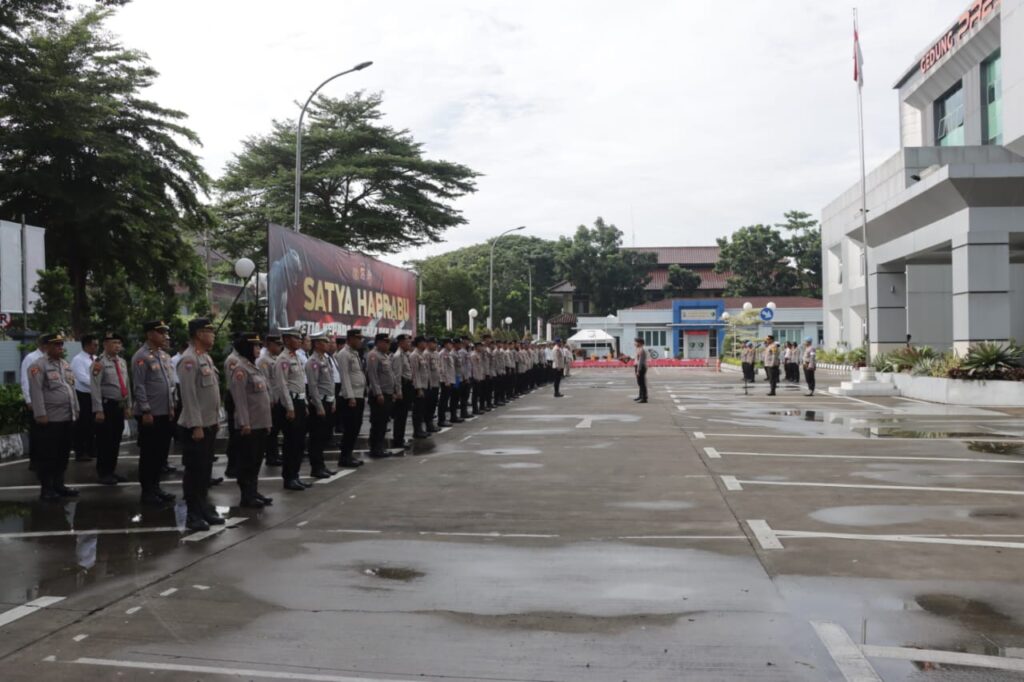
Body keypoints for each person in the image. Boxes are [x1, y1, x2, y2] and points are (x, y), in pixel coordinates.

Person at [176, 318, 224, 531]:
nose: (213, 335)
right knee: (194, 471)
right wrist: (196, 425)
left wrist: (215, 420)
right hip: (196, 426)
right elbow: (189, 395)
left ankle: (203, 507)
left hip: (208, 423)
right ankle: (192, 514)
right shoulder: (189, 360)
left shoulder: (205, 357)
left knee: (205, 471)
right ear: (198, 334)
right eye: (209, 331)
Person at [28, 333, 79, 501]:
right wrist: (41, 414)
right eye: (56, 344)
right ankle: (47, 488)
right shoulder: (38, 366)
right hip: (50, 419)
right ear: (47, 346)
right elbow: (36, 392)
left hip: (66, 417)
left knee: (63, 454)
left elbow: (71, 388)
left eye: (61, 344)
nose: (60, 347)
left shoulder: (65, 365)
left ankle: (59, 484)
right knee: (48, 455)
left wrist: (76, 409)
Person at [131, 320, 177, 505]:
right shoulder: (141, 357)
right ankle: (147, 491)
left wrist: (171, 407)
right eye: (161, 332)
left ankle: (156, 487)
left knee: (160, 453)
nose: (165, 336)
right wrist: (146, 410)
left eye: (166, 332)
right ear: (150, 334)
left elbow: (169, 384)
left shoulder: (164, 356)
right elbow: (139, 385)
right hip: (150, 413)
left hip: (165, 412)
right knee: (149, 454)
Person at [229, 332, 274, 508]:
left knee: (256, 461)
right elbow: (239, 399)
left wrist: (267, 423)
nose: (258, 349)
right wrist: (244, 423)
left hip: (260, 423)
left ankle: (254, 491)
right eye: (255, 346)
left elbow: (263, 398)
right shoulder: (240, 369)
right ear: (247, 348)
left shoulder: (253, 367)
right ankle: (246, 495)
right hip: (249, 425)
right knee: (247, 461)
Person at [91, 332, 132, 485]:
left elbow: (126, 385)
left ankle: (112, 470)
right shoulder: (99, 363)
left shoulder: (121, 362)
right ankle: (103, 472)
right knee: (105, 441)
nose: (117, 346)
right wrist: (98, 410)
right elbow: (95, 387)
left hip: (119, 406)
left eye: (119, 343)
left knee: (115, 440)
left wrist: (128, 405)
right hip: (106, 406)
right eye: (113, 343)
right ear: (105, 345)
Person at [277, 327, 309, 491]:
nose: (299, 341)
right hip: (291, 404)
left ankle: (295, 475)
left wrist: (305, 405)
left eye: (299, 338)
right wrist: (289, 407)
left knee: (299, 442)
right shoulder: (283, 359)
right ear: (287, 340)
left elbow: (300, 383)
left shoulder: (295, 357)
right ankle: (289, 477)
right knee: (291, 442)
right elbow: (282, 385)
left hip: (300, 402)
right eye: (296, 338)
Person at [304, 331, 338, 479]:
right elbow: (313, 386)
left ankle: (322, 465)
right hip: (320, 402)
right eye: (325, 342)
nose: (328, 344)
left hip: (328, 401)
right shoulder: (313, 362)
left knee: (324, 436)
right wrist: (319, 406)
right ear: (317, 344)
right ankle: (316, 467)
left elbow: (330, 382)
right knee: (316, 437)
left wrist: (333, 401)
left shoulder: (325, 359)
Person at [336, 328, 367, 468]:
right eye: (358, 338)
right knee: (350, 428)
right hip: (351, 396)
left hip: (359, 394)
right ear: (351, 339)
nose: (360, 341)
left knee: (356, 427)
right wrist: (350, 396)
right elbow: (345, 376)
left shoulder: (354, 353)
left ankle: (349, 454)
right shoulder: (344, 354)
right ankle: (344, 457)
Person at [366, 332, 397, 459]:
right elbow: (373, 377)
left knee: (383, 423)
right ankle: (375, 448)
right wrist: (378, 393)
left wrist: (393, 391)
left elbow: (390, 375)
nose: (388, 345)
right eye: (386, 342)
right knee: (378, 423)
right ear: (379, 342)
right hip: (379, 395)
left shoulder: (384, 356)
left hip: (387, 393)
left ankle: (380, 447)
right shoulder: (373, 355)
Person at [256, 335, 285, 467]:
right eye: (277, 344)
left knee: (276, 428)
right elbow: (265, 381)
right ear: (269, 345)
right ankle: (271, 457)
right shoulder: (263, 360)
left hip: (278, 398)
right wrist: (270, 398)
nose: (279, 347)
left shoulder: (275, 358)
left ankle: (275, 455)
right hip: (271, 399)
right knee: (271, 431)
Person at [70, 334, 98, 462]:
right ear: (87, 345)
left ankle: (91, 449)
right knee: (83, 424)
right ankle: (81, 451)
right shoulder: (78, 360)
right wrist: (98, 384)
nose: (96, 347)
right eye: (94, 345)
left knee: (93, 424)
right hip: (83, 395)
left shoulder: (96, 359)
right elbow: (82, 378)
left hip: (94, 395)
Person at [390, 334, 414, 448]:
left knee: (403, 416)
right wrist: (398, 392)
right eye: (407, 342)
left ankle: (401, 438)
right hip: (402, 387)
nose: (409, 344)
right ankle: (398, 440)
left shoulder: (405, 355)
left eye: (410, 342)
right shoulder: (398, 356)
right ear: (400, 343)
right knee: (400, 416)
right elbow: (397, 376)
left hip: (408, 386)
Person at [437, 338, 456, 427]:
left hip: (450, 380)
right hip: (445, 381)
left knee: (445, 400)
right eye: (449, 344)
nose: (451, 345)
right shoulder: (442, 354)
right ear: (445, 344)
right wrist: (446, 381)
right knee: (443, 401)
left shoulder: (448, 353)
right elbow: (442, 369)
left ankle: (443, 419)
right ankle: (441, 420)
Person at [425, 337, 441, 432]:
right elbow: (426, 371)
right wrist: (429, 384)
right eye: (433, 343)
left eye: (436, 343)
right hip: (430, 384)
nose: (435, 345)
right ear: (428, 344)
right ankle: (428, 424)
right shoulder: (426, 354)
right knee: (429, 405)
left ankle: (431, 423)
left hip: (436, 383)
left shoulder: (436, 354)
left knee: (433, 404)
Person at [634, 336, 648, 403]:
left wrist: (638, 370)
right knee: (639, 383)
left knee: (642, 383)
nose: (634, 343)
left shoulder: (642, 350)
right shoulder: (638, 349)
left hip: (641, 367)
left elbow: (641, 361)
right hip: (638, 366)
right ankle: (640, 396)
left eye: (636, 342)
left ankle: (644, 398)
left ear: (640, 343)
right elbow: (637, 359)